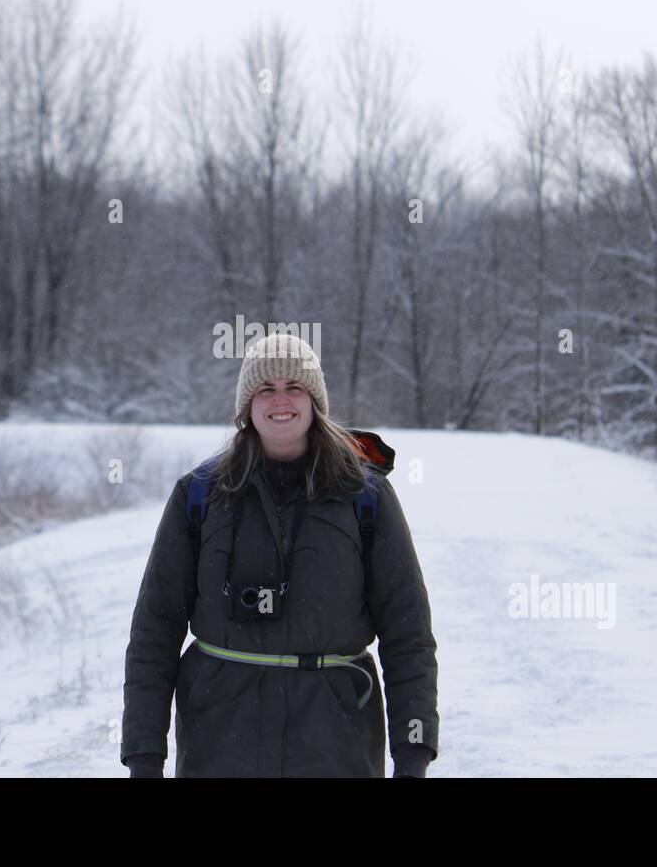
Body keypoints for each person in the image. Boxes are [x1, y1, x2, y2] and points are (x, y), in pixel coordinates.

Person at [120, 332, 439, 777]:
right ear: (246, 406)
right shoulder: (199, 495)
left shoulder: (365, 496)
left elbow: (408, 631)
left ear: (315, 401)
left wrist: (414, 750)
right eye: (265, 389)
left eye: (294, 387)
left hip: (336, 738)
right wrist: (143, 753)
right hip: (219, 737)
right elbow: (155, 628)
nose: (280, 400)